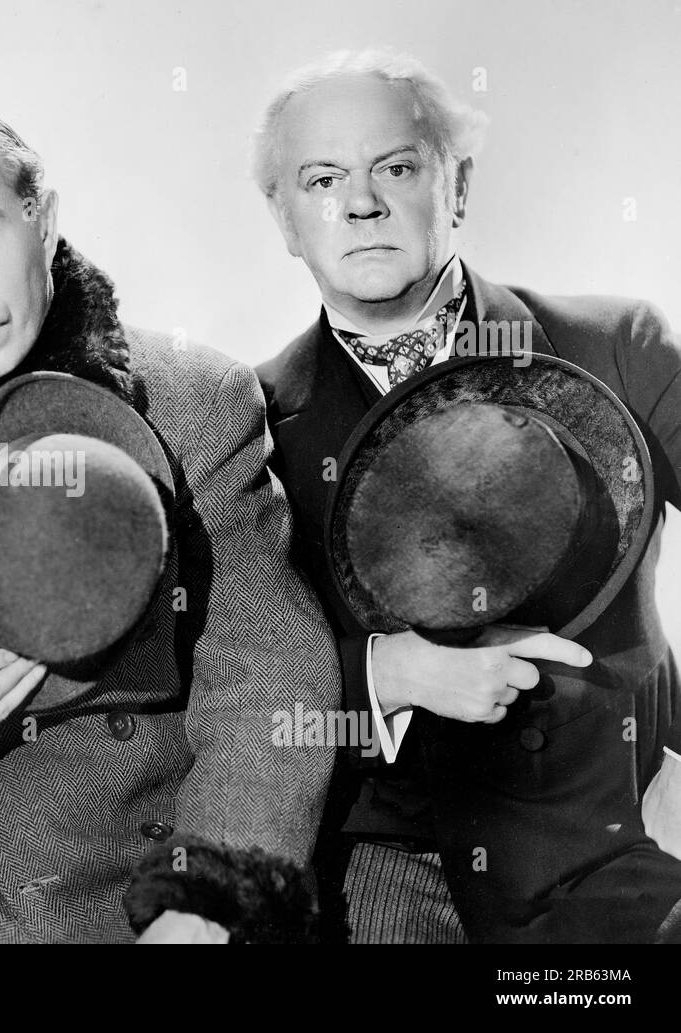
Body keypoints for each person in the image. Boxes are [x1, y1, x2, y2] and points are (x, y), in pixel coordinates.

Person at [0, 102, 342, 943]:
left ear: (43, 217)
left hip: (130, 889)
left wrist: (206, 896)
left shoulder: (192, 401)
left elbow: (268, 677)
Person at [253, 49, 681, 943]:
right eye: (322, 178)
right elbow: (234, 682)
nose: (360, 203)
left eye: (396, 167)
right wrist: (387, 673)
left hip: (619, 854)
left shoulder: (615, 344)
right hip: (376, 871)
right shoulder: (245, 422)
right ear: (285, 219)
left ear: (457, 187)